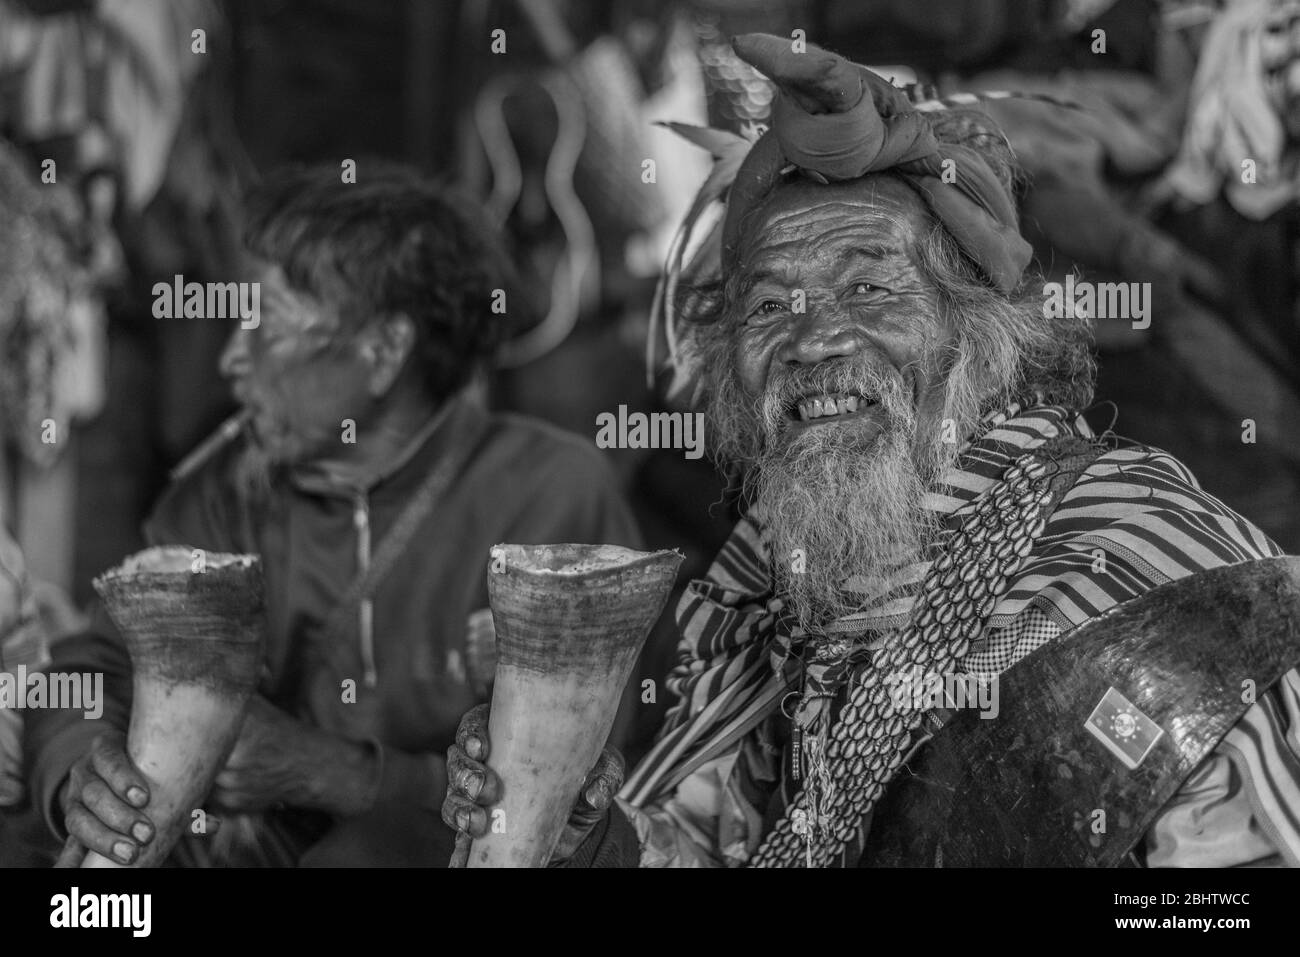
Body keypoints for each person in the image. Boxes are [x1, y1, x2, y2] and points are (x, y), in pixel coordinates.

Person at [442, 35, 1300, 867]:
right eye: (770, 306)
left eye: (867, 286)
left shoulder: (1148, 578)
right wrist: (585, 833)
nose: (814, 339)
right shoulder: (775, 566)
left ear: (979, 329)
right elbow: (722, 842)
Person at [22, 163, 642, 867]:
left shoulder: (551, 495)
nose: (231, 358)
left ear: (382, 351)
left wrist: (338, 772)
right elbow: (97, 666)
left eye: (268, 328)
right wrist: (81, 765)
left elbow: (572, 798)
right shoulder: (226, 486)